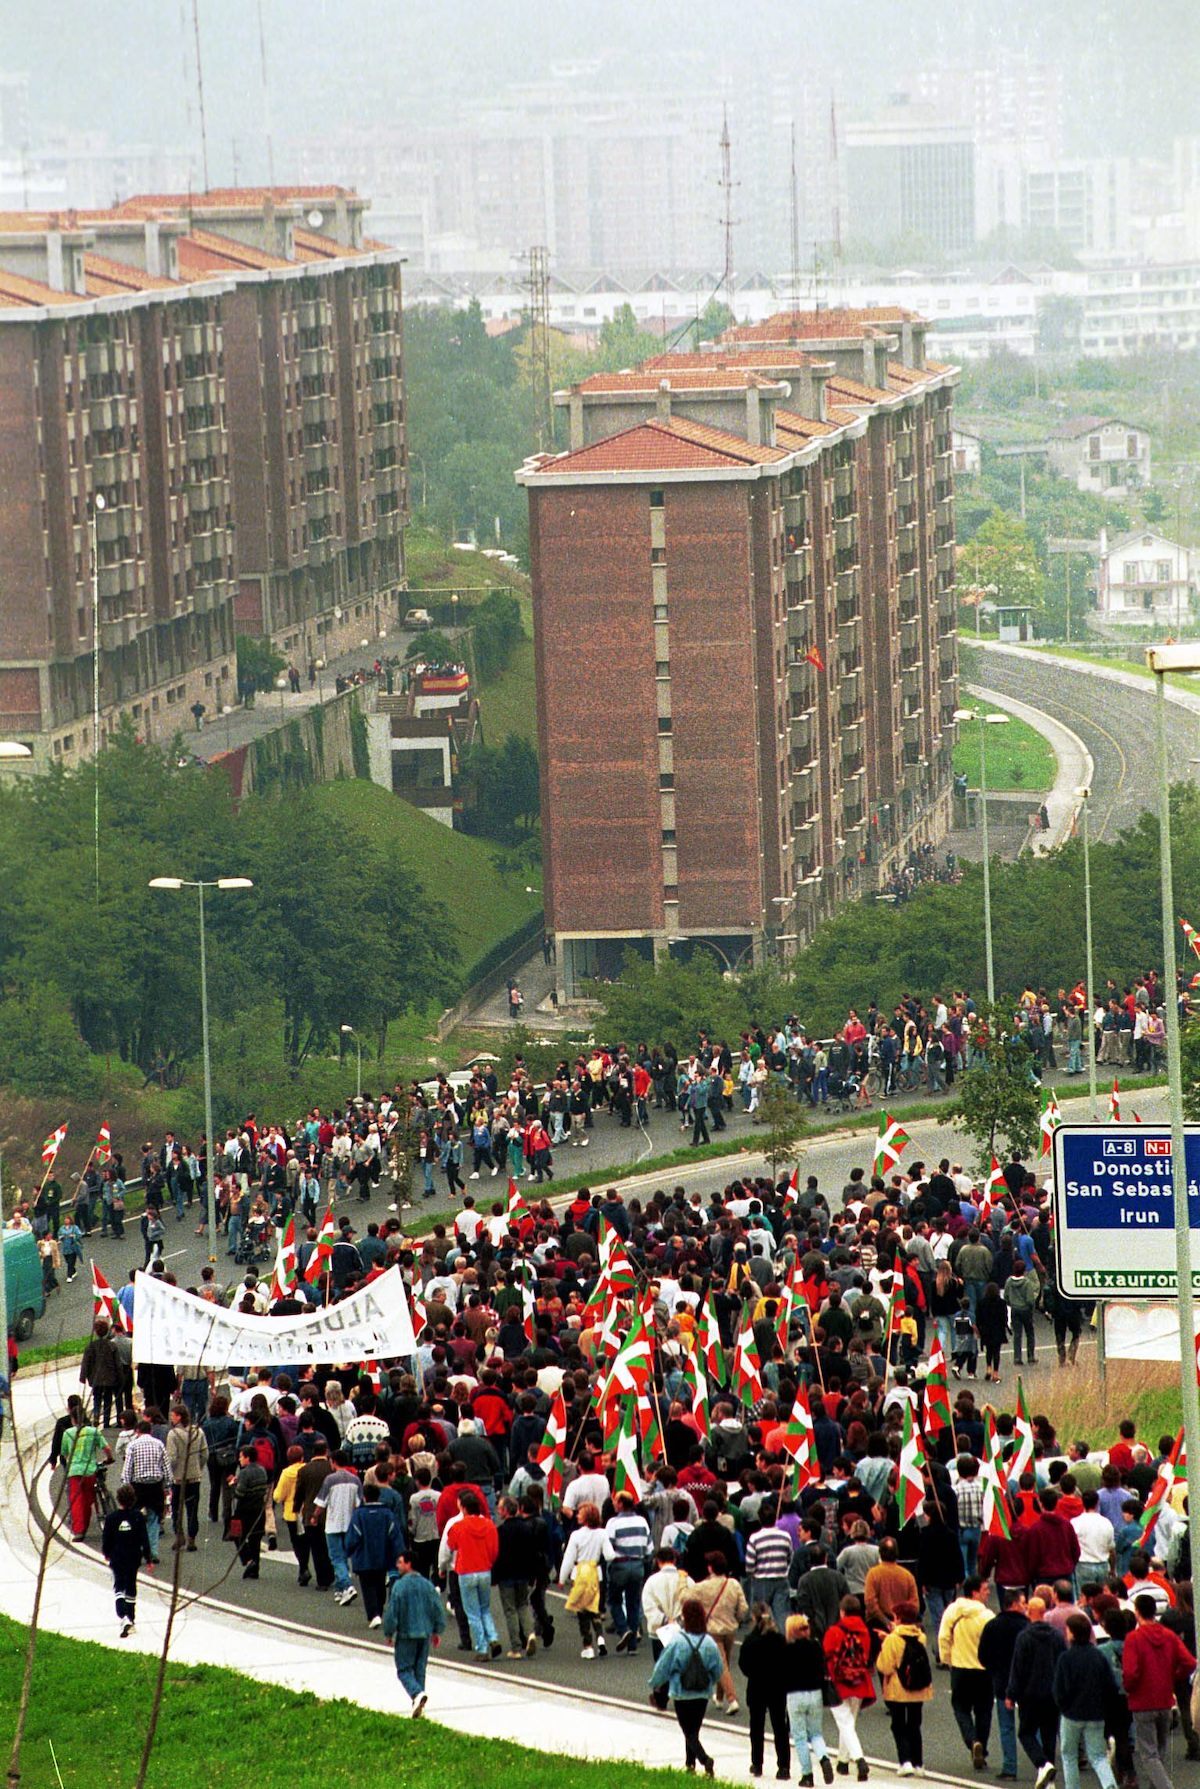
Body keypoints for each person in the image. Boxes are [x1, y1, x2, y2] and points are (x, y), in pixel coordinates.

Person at [1122, 1591, 1196, 1789]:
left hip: (1142, 1700)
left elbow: (1130, 1673)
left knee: (1148, 1753)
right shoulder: (1168, 1635)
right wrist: (1173, 1676)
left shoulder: (1133, 1639)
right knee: (1160, 1750)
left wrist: (1130, 1688)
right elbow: (1189, 1662)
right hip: (1164, 1699)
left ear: (1137, 1612)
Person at [648, 1595, 723, 1777]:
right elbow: (718, 1669)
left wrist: (654, 1683)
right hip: (702, 1694)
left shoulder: (677, 1641)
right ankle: (690, 1764)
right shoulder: (709, 1642)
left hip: (681, 1693)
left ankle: (704, 1760)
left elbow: (663, 1665)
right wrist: (709, 1683)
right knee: (694, 1730)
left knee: (687, 1731)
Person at [1053, 1612, 1119, 1789]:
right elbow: (1110, 1686)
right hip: (1096, 1713)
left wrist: (1064, 1706)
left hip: (1071, 1714)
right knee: (1098, 1756)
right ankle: (1109, 1784)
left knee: (1069, 1755)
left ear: (1072, 1633)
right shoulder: (1098, 1656)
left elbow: (1059, 1689)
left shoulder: (1065, 1658)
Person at [1006, 1593, 1063, 1789]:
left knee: (1026, 1733)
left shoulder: (1024, 1637)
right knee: (1049, 1736)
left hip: (1029, 1695)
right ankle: (1050, 1780)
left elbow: (1018, 1668)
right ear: (1044, 1611)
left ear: (1029, 1612)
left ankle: (1042, 1764)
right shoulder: (1056, 1635)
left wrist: (1011, 1694)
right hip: (1052, 1694)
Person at [938, 1575, 994, 1771]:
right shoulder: (988, 1616)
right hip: (984, 1671)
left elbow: (944, 1636)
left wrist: (947, 1660)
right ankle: (982, 1748)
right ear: (975, 1592)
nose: (988, 1593)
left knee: (960, 1707)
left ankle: (971, 1741)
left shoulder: (953, 1610)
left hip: (960, 1667)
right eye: (985, 1589)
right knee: (984, 1711)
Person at [383, 1549, 447, 1718]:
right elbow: (437, 1610)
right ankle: (419, 1703)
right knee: (420, 1669)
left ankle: (416, 1694)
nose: (398, 1565)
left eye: (400, 1562)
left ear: (409, 1564)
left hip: (406, 1634)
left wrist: (389, 1633)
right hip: (425, 1634)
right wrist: (436, 1630)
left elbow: (392, 1612)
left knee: (404, 1669)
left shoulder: (399, 1586)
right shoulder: (427, 1585)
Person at [876, 1598, 934, 1779]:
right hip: (919, 1688)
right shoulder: (921, 1637)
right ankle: (919, 1763)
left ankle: (905, 1761)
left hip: (898, 1689)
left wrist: (886, 1641)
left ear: (898, 1618)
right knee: (915, 1725)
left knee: (898, 1725)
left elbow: (884, 1666)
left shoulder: (893, 1640)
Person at [823, 1594, 874, 1782]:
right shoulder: (865, 1631)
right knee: (849, 1723)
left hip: (838, 1681)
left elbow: (827, 1655)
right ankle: (843, 1762)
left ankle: (859, 1759)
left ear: (842, 1612)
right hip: (859, 1679)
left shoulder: (834, 1631)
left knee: (844, 1723)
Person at [445, 1486, 501, 1660]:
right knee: (485, 1608)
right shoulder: (490, 1525)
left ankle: (482, 1647)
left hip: (466, 1570)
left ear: (463, 1508)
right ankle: (493, 1637)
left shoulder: (459, 1526)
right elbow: (494, 1550)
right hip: (484, 1569)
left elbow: (451, 1545)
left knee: (473, 1612)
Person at [739, 1603, 791, 1781]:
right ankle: (784, 1766)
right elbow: (786, 1663)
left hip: (757, 1686)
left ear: (754, 1618)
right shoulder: (779, 1639)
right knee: (780, 1727)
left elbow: (743, 1665)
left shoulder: (750, 1641)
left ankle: (757, 1763)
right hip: (777, 1687)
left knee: (756, 1727)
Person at [783, 1614, 833, 1788]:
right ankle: (823, 1756)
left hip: (795, 1694)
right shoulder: (816, 1646)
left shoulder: (787, 1650)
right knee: (816, 1733)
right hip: (815, 1693)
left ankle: (807, 1775)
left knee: (800, 1737)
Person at [344, 1481, 404, 1628]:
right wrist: (399, 1554)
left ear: (364, 1497)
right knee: (380, 1585)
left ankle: (373, 1614)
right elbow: (395, 1536)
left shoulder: (359, 1514)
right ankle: (379, 1611)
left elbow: (353, 1537)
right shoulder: (387, 1514)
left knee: (367, 1586)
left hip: (363, 1558)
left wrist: (348, 1550)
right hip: (383, 1556)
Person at [100, 1483, 153, 1638]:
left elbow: (107, 1539)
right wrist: (148, 1558)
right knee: (131, 1586)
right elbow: (144, 1539)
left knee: (119, 1586)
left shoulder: (111, 1519)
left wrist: (107, 1553)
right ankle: (130, 1617)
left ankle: (122, 1615)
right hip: (133, 1556)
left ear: (118, 1499)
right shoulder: (138, 1517)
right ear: (133, 1499)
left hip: (117, 1557)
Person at [59, 1407, 113, 1541]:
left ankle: (79, 1530)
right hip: (89, 1470)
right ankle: (86, 1524)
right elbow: (106, 1448)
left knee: (77, 1501)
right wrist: (110, 1458)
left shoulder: (68, 1433)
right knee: (89, 1500)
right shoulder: (93, 1432)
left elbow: (64, 1453)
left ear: (72, 1419)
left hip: (74, 1471)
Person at [164, 1403, 208, 1551]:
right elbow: (204, 1454)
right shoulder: (198, 1432)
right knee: (193, 1509)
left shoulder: (173, 1434)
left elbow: (172, 1457)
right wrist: (198, 1467)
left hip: (178, 1479)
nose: (171, 1418)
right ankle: (192, 1538)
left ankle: (179, 1535)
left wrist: (170, 1473)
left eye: (173, 1415)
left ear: (179, 1417)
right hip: (194, 1477)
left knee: (176, 1509)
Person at [231, 1443, 269, 1579]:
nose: (239, 1460)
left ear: (247, 1458)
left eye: (241, 1457)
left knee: (236, 1534)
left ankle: (248, 1560)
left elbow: (239, 1494)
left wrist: (233, 1485)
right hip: (259, 1509)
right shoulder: (262, 1470)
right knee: (255, 1540)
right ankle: (255, 1570)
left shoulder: (244, 1473)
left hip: (244, 1510)